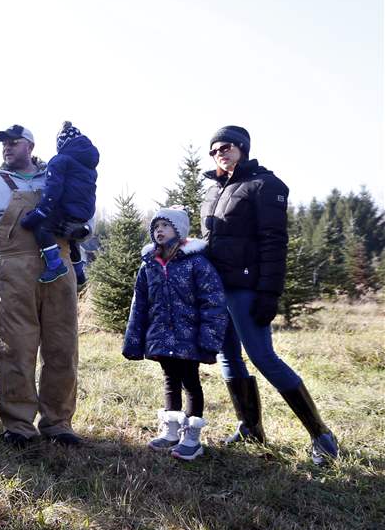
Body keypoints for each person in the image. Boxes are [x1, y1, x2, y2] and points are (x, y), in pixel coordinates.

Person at [201, 125, 339, 465]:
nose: (221, 152)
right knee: (228, 359)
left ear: (243, 148)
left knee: (263, 357)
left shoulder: (265, 185)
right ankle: (251, 428)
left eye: (228, 146)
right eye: (215, 149)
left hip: (247, 288)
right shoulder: (213, 190)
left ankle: (322, 436)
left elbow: (274, 242)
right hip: (217, 288)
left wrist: (269, 293)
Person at [0, 124, 87, 448]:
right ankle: (18, 425)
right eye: (3, 143)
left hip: (60, 268)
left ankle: (58, 423)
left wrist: (80, 261)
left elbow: (79, 219)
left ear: (30, 145)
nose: (7, 148)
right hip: (14, 271)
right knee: (15, 347)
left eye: (14, 143)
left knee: (63, 346)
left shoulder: (56, 177)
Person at [123, 206, 228, 461]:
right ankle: (171, 430)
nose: (159, 231)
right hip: (161, 335)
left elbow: (213, 301)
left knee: (190, 381)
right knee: (170, 379)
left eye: (165, 226)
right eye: (156, 227)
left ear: (179, 231)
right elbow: (140, 303)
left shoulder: (196, 263)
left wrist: (209, 338)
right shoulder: (149, 265)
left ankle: (192, 437)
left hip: (189, 336)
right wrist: (134, 339)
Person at [18, 121, 98, 286]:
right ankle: (78, 271)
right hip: (84, 211)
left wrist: (41, 212)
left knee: (42, 227)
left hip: (67, 208)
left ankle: (54, 264)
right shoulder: (88, 166)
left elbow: (53, 189)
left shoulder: (59, 161)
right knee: (72, 239)